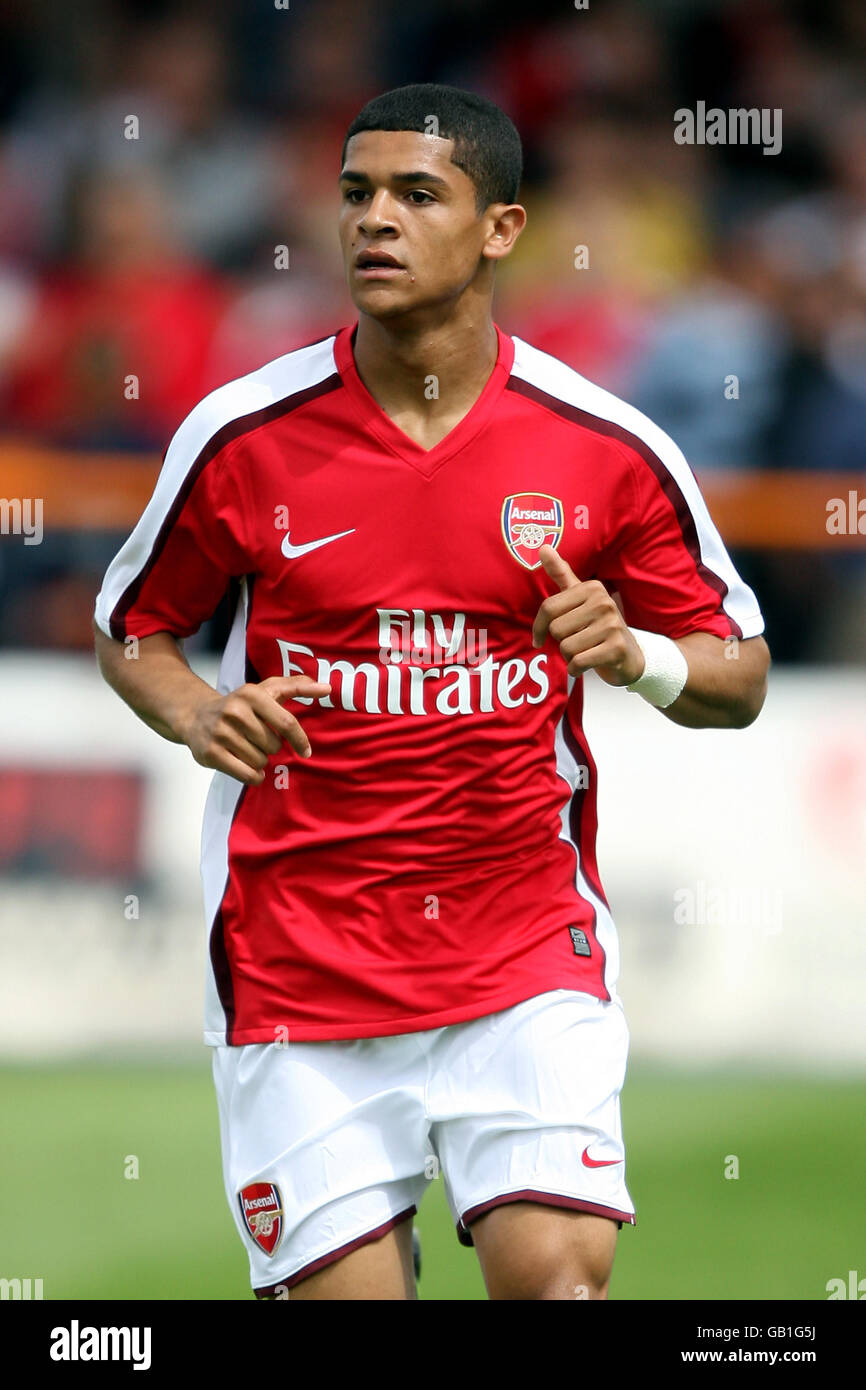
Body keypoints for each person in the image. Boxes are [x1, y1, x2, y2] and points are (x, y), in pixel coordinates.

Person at [93, 83, 770, 1301]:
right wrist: (197, 711)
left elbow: (739, 676)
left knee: (555, 1282)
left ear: (501, 228)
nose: (373, 222)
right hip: (301, 958)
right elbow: (132, 630)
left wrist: (635, 657)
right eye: (355, 194)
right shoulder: (243, 435)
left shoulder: (603, 446)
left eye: (416, 194)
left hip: (519, 951)